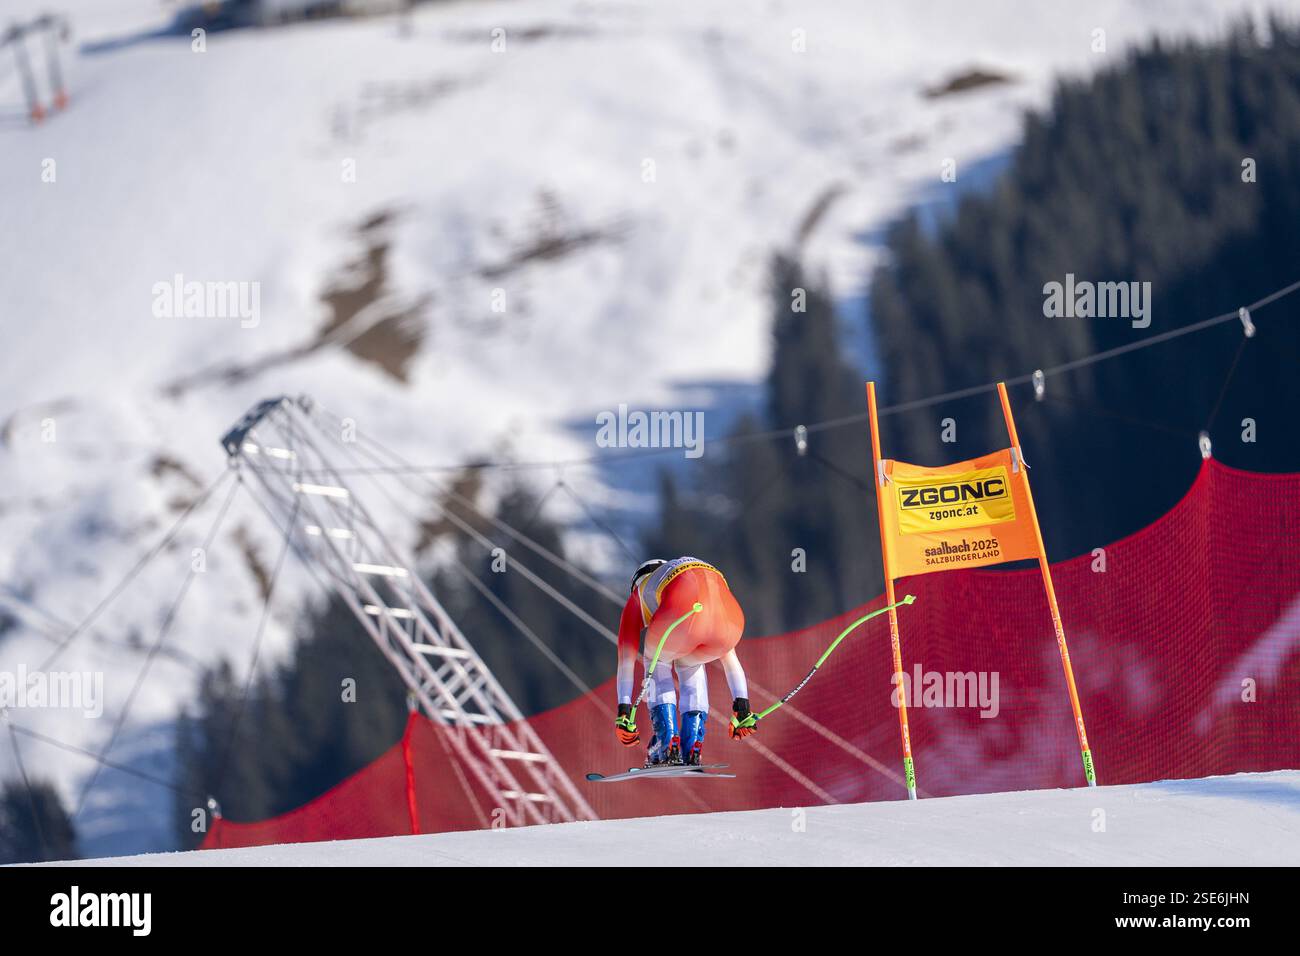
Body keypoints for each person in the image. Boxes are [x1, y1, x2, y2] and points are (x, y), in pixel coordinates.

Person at [614, 557, 756, 766]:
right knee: (690, 663)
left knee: (656, 660)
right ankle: (692, 746)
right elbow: (730, 660)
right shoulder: (677, 572)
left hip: (682, 615)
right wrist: (742, 706)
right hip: (730, 622)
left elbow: (625, 661)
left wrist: (624, 712)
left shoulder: (639, 593)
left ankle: (666, 744)